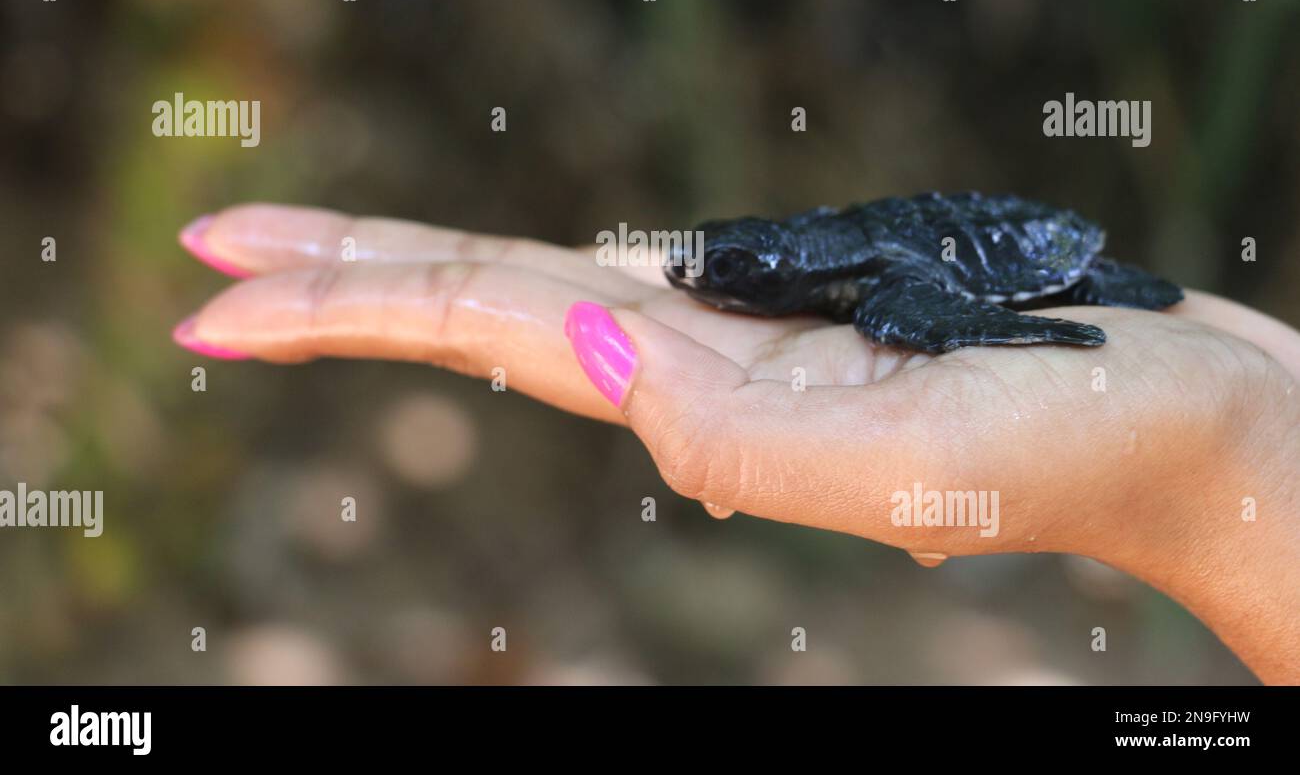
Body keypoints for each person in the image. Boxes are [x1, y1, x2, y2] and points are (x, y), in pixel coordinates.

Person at [172, 204, 1300, 683]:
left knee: (928, 306)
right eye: (705, 268)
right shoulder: (813, 259)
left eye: (733, 275)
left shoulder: (871, 285)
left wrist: (1239, 444)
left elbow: (891, 291)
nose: (707, 284)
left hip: (1029, 248)